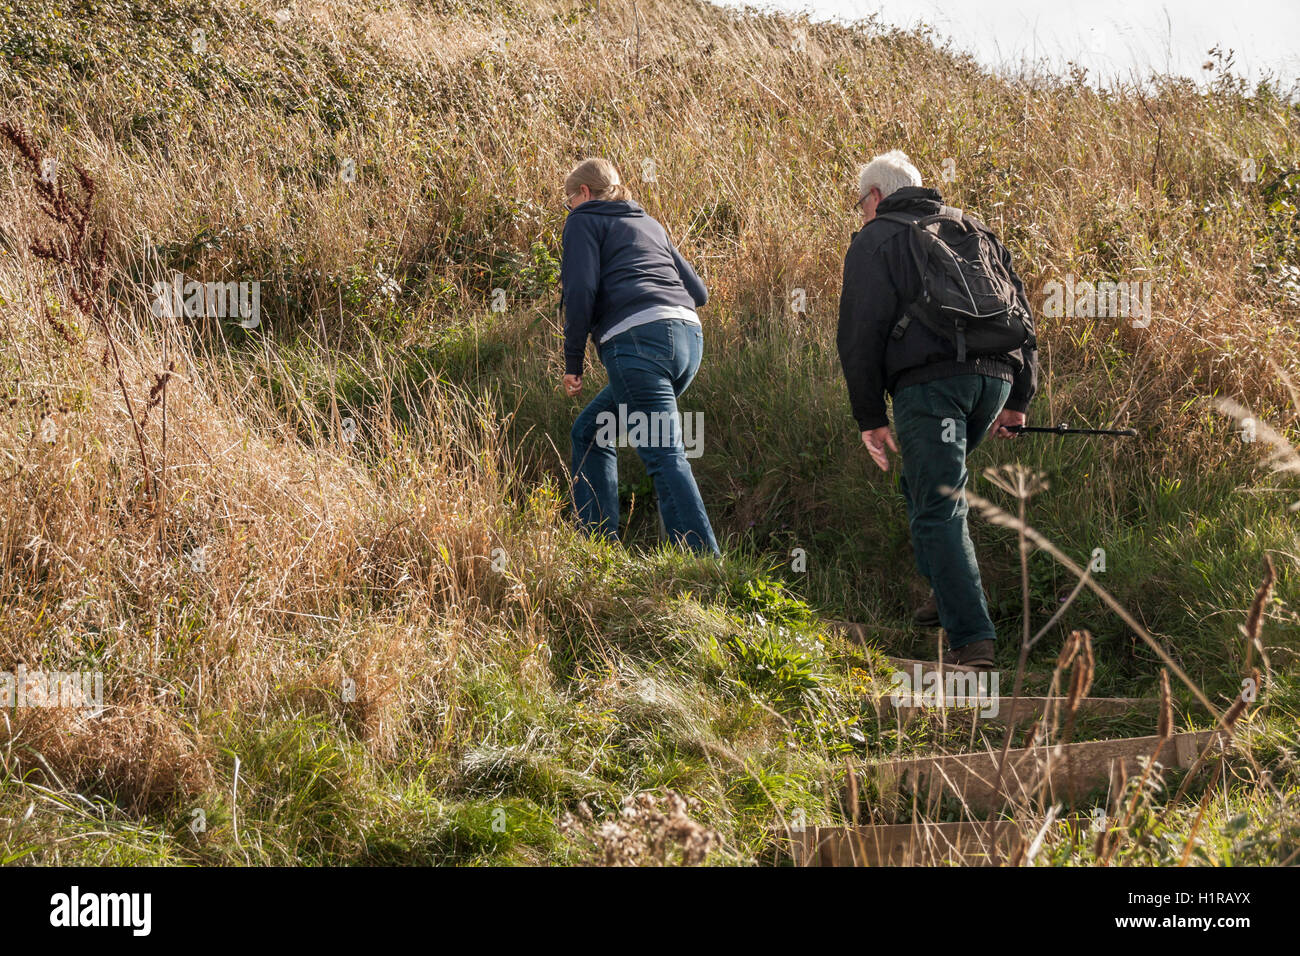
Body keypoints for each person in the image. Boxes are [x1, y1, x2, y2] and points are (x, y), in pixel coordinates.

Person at [836, 150, 1038, 668]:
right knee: (924, 485)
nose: (860, 212)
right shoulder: (976, 231)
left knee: (939, 505)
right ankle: (944, 594)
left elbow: (859, 333)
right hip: (993, 381)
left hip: (932, 387)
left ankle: (973, 640)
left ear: (876, 197)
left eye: (860, 203)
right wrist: (1018, 398)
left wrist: (870, 418)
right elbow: (1022, 312)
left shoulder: (875, 238)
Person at [560, 158, 720, 556]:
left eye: (569, 201)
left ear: (584, 193)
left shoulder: (583, 220)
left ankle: (705, 565)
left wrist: (573, 362)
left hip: (637, 347)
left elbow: (580, 291)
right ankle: (600, 550)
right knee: (591, 432)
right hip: (688, 342)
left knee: (664, 455)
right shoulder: (648, 223)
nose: (569, 209)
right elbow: (698, 293)